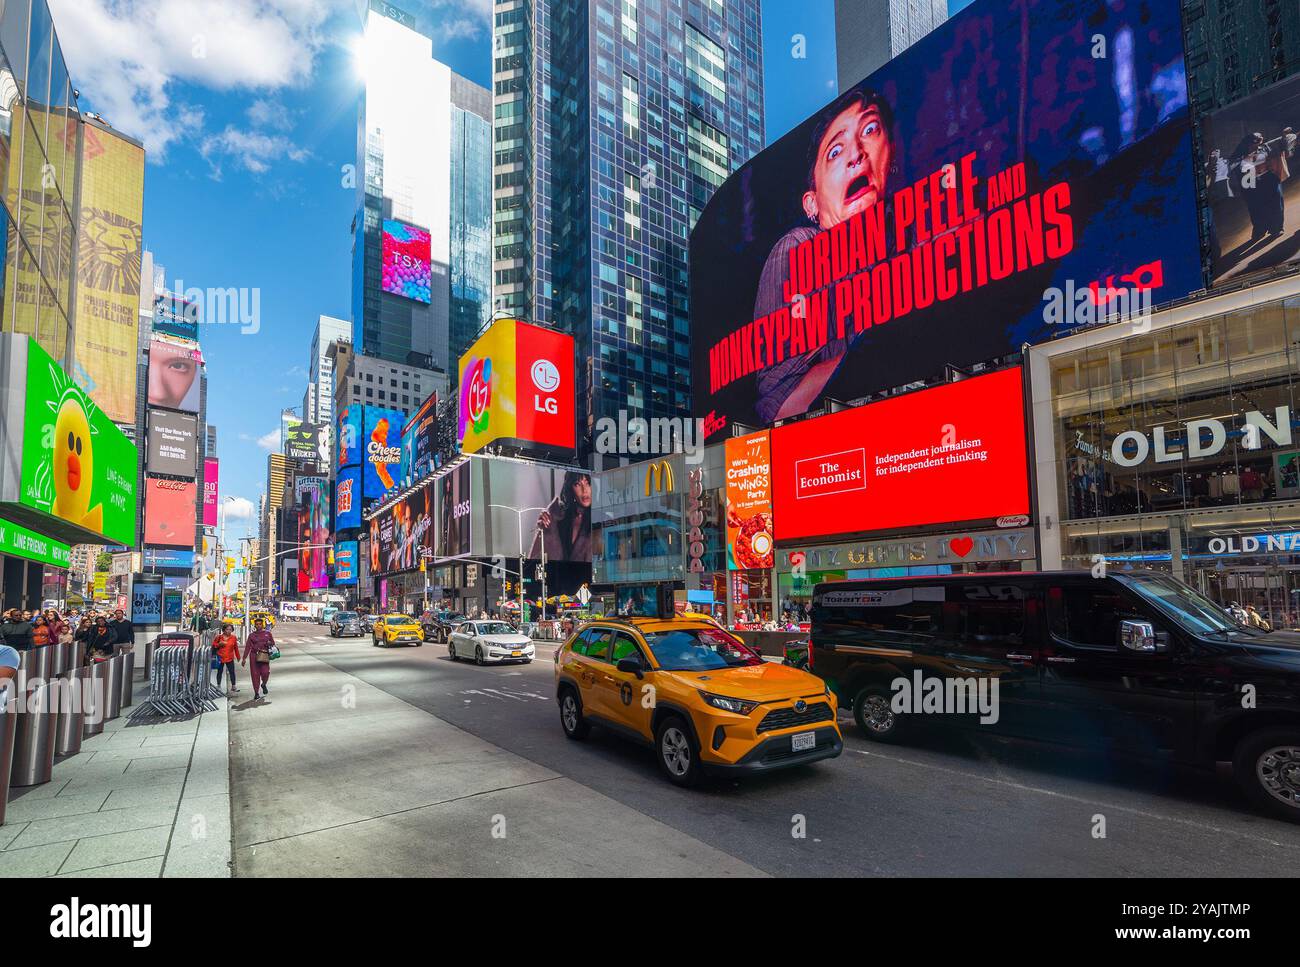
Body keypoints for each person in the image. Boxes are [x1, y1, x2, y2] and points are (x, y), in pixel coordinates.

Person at [753, 86, 901, 424]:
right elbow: (775, 403)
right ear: (812, 203)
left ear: (891, 153)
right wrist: (885, 352)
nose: (856, 155)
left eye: (869, 130)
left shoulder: (910, 236)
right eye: (835, 151)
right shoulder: (798, 249)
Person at [532, 472, 593, 563]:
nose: (584, 490)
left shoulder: (601, 519)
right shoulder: (557, 516)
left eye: (587, 483)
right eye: (577, 484)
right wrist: (543, 530)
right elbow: (534, 559)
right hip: (556, 575)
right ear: (571, 489)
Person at [241, 618, 276, 700]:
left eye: (260, 624)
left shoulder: (267, 634)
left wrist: (269, 643)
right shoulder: (251, 635)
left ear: (263, 625)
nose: (258, 626)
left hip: (264, 655)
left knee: (266, 672)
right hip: (254, 656)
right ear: (255, 625)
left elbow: (273, 643)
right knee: (255, 675)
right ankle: (256, 692)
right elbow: (247, 647)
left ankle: (264, 684)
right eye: (257, 624)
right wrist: (244, 658)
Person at [212, 623, 241, 693]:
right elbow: (214, 645)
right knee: (220, 672)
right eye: (227, 629)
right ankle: (218, 685)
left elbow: (236, 648)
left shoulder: (233, 638)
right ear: (224, 630)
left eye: (230, 629)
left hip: (229, 657)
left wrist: (238, 657)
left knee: (232, 672)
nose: (229, 631)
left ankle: (233, 686)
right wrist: (219, 644)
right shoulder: (219, 637)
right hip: (220, 657)